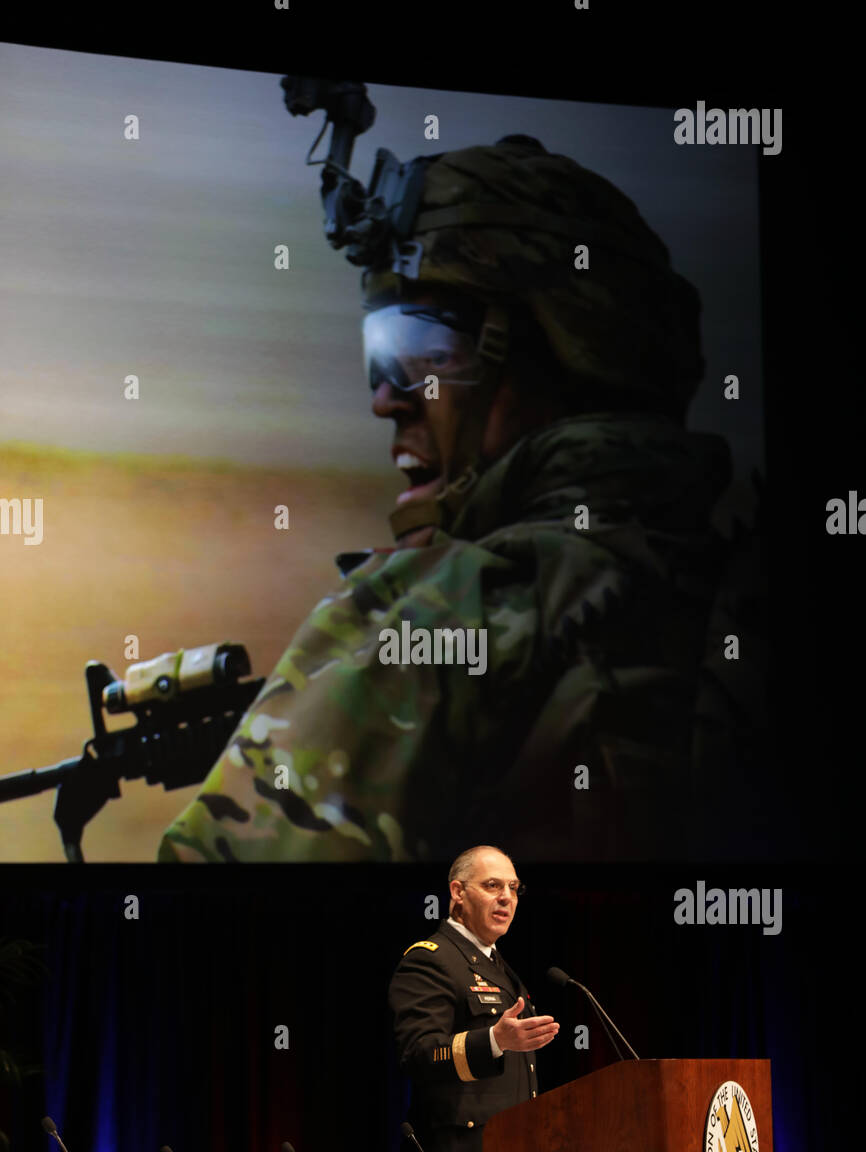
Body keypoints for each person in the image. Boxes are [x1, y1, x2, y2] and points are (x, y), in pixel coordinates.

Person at [158, 134, 764, 864]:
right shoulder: (742, 584)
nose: (386, 400)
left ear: (563, 352)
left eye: (422, 353)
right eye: (378, 355)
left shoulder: (438, 613)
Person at [388, 845, 559, 1152]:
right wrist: (494, 1041)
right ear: (458, 892)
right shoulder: (431, 959)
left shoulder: (496, 964)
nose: (506, 897)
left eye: (513, 887)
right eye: (492, 885)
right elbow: (418, 1053)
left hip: (513, 1151)